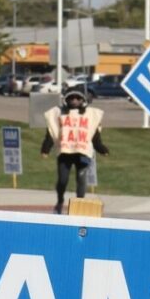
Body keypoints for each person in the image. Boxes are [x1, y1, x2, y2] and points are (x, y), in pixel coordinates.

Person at [41, 85, 109, 213]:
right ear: (66, 100)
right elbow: (52, 132)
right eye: (71, 98)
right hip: (65, 152)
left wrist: (101, 148)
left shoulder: (89, 114)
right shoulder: (59, 113)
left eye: (78, 98)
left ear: (83, 100)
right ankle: (60, 200)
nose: (74, 101)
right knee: (63, 180)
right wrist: (46, 148)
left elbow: (93, 134)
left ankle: (80, 203)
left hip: (82, 152)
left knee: (81, 177)